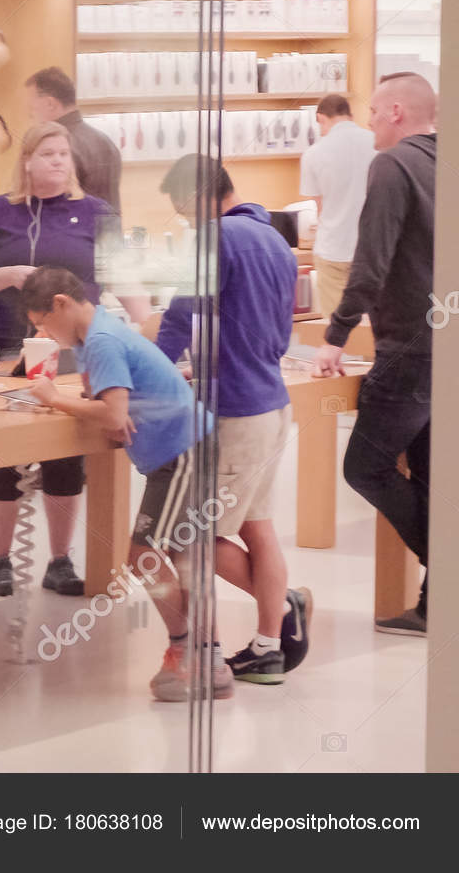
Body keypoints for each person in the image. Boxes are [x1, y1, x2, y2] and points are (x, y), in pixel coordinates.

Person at [22, 266, 231, 701]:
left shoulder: (100, 341)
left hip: (182, 451)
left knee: (144, 556)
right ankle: (206, 658)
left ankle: (186, 648)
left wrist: (54, 399)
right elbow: (117, 407)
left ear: (61, 304)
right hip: (185, 446)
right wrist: (97, 406)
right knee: (183, 555)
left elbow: (115, 416)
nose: (45, 333)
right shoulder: (99, 331)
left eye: (43, 323)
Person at [157, 154, 312, 682]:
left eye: (183, 211)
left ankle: (281, 606)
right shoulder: (274, 238)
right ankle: (269, 642)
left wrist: (153, 369)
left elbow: (181, 313)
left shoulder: (216, 238)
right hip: (271, 401)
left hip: (236, 411)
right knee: (256, 526)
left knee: (188, 535)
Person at [0, 121, 120, 599]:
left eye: (65, 154)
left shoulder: (96, 213)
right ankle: (0, 560)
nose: (59, 160)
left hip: (72, 352)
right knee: (1, 455)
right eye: (48, 153)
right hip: (6, 347)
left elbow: (118, 278)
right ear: (27, 160)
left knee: (65, 452)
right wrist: (10, 274)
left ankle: (59, 559)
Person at [315, 72, 438, 637]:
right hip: (441, 346)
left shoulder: (392, 166)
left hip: (410, 350)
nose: (365, 123)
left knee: (365, 465)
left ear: (394, 111)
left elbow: (372, 263)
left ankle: (447, 572)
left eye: (370, 112)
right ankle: (437, 602)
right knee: (434, 475)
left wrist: (334, 337)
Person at [299, 93, 378, 317]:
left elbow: (320, 206)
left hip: (332, 248)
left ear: (321, 118)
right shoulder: (377, 144)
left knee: (335, 322)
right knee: (372, 323)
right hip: (370, 250)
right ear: (349, 115)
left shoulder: (313, 154)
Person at [26, 66, 122, 210]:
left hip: (69, 230)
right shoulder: (106, 142)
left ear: (50, 104)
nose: (30, 115)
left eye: (32, 108)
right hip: (108, 230)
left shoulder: (52, 148)